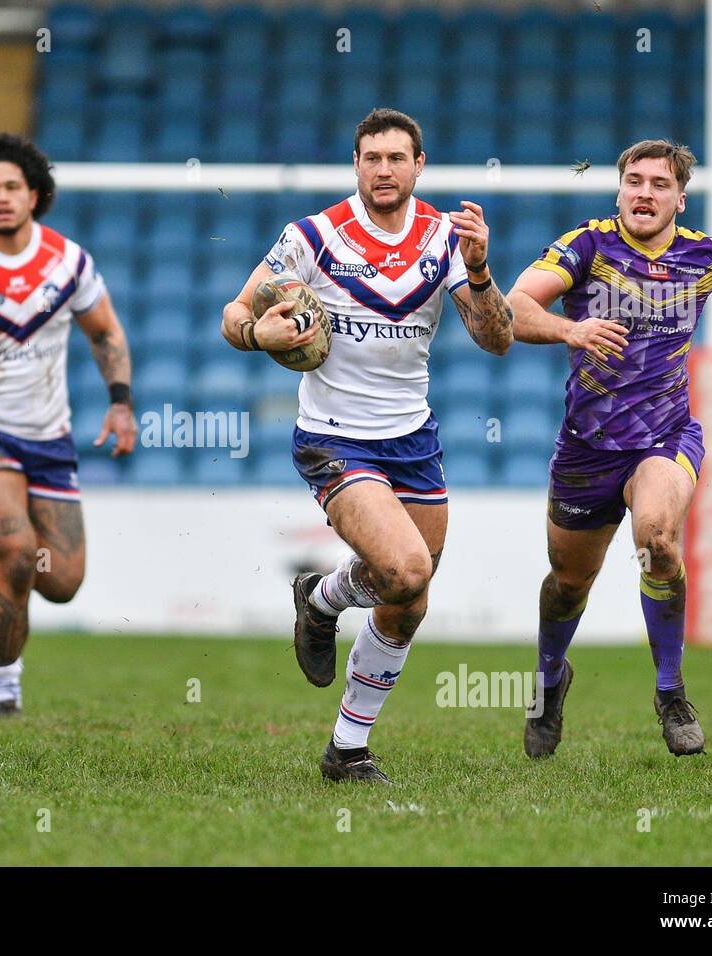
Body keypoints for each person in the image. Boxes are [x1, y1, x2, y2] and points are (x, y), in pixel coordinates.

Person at [221, 108, 513, 783]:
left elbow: (496, 339)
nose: (383, 169)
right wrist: (256, 335)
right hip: (334, 438)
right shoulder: (313, 238)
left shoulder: (445, 241)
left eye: (396, 158)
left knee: (409, 598)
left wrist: (478, 271)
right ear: (356, 163)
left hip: (412, 437)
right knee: (407, 569)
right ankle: (325, 608)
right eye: (371, 158)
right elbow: (234, 313)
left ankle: (344, 740)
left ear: (419, 166)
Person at [507, 139, 712, 758]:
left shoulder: (708, 258)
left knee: (657, 535)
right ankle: (549, 680)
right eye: (634, 181)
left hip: (664, 437)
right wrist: (573, 328)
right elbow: (515, 307)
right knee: (570, 581)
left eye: (658, 183)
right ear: (619, 190)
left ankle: (671, 691)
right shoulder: (587, 247)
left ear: (680, 197)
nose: (644, 193)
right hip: (586, 447)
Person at [0, 133, 136, 716]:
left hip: (50, 436)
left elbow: (106, 333)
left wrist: (121, 403)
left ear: (34, 193)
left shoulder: (69, 261)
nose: (0, 198)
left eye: (11, 187)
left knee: (62, 582)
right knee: (17, 558)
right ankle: (2, 684)